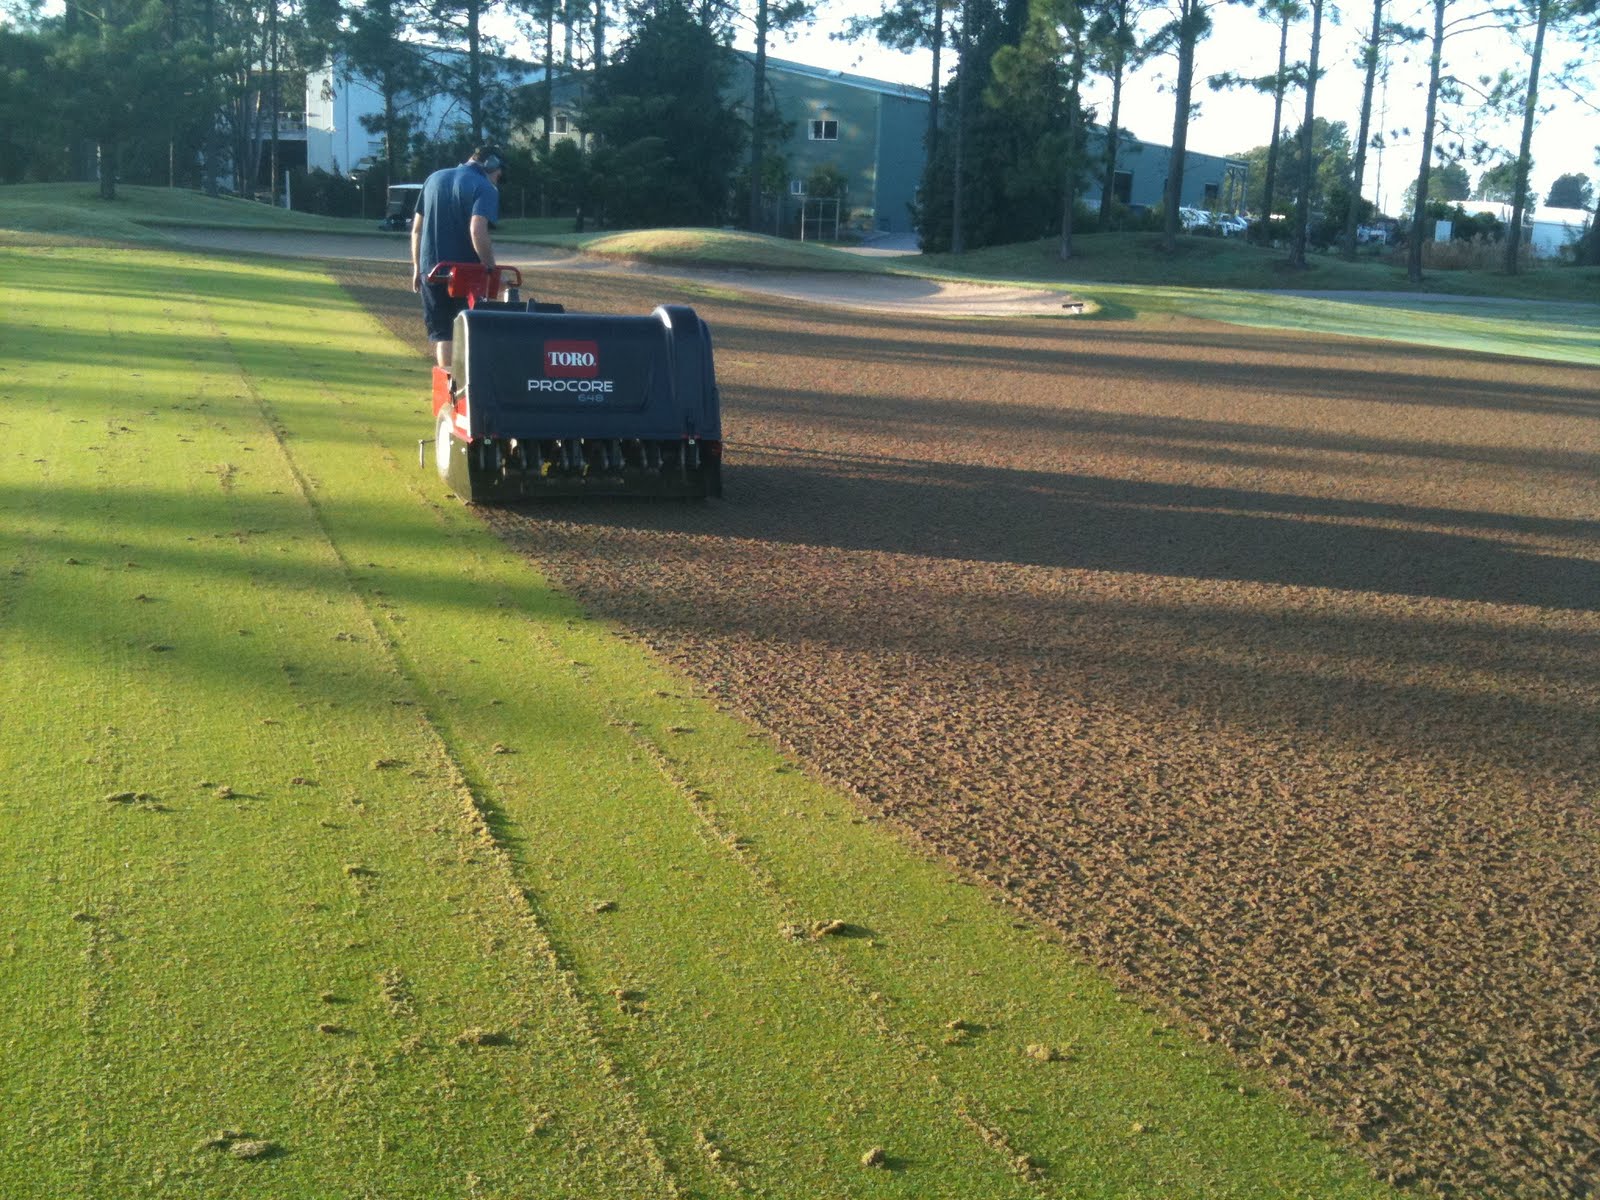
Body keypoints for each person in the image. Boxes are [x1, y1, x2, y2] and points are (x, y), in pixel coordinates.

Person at [411, 147, 505, 369]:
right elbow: (477, 231)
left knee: (444, 335)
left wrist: (416, 267)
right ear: (491, 165)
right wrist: (491, 270)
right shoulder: (484, 187)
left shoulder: (433, 179)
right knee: (469, 332)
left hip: (430, 269)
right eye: (499, 176)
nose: (497, 181)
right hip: (466, 274)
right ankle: (468, 387)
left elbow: (417, 229)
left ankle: (449, 387)